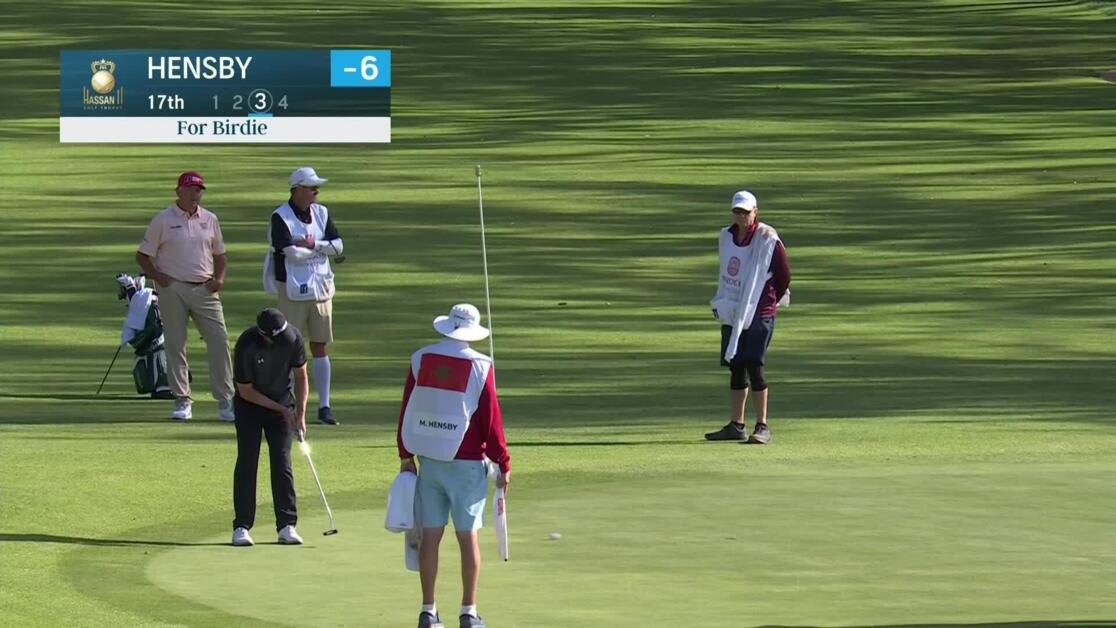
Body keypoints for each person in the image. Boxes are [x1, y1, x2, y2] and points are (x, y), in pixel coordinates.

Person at [396, 304, 510, 628]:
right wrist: (503, 460)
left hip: (430, 460)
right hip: (468, 463)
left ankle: (428, 611)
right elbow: (491, 420)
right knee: (467, 537)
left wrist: (405, 455)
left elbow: (408, 407)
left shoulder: (421, 358)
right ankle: (468, 612)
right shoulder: (481, 364)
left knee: (430, 536)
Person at [136, 171, 235, 422]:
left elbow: (220, 256)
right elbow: (143, 255)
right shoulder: (163, 219)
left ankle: (225, 401)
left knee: (219, 341)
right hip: (173, 289)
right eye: (191, 190)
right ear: (178, 191)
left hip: (204, 287)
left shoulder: (210, 219)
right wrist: (159, 277)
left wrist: (219, 280)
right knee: (176, 344)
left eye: (199, 190)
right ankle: (182, 400)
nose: (195, 194)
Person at [706, 190, 791, 445]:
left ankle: (762, 426)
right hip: (732, 310)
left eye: (746, 211)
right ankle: (736, 424)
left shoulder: (767, 238)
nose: (741, 216)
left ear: (756, 212)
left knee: (755, 365)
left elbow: (783, 274)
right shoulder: (726, 236)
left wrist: (767, 300)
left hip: (760, 311)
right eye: (737, 211)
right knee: (736, 366)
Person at [263, 166, 344, 426]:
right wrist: (322, 249)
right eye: (311, 187)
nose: (316, 191)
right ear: (298, 189)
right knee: (288, 347)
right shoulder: (280, 216)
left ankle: (324, 406)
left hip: (320, 287)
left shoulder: (322, 213)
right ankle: (286, 402)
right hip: (292, 289)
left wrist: (312, 245)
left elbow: (339, 246)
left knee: (320, 345)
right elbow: (290, 253)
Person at [230, 308, 309, 547]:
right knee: (247, 460)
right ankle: (242, 527)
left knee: (282, 461)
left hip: (282, 404)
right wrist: (281, 409)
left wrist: (301, 413)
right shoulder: (246, 344)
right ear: (264, 334)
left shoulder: (293, 338)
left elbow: (301, 376)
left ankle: (287, 525)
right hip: (249, 407)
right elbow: (245, 390)